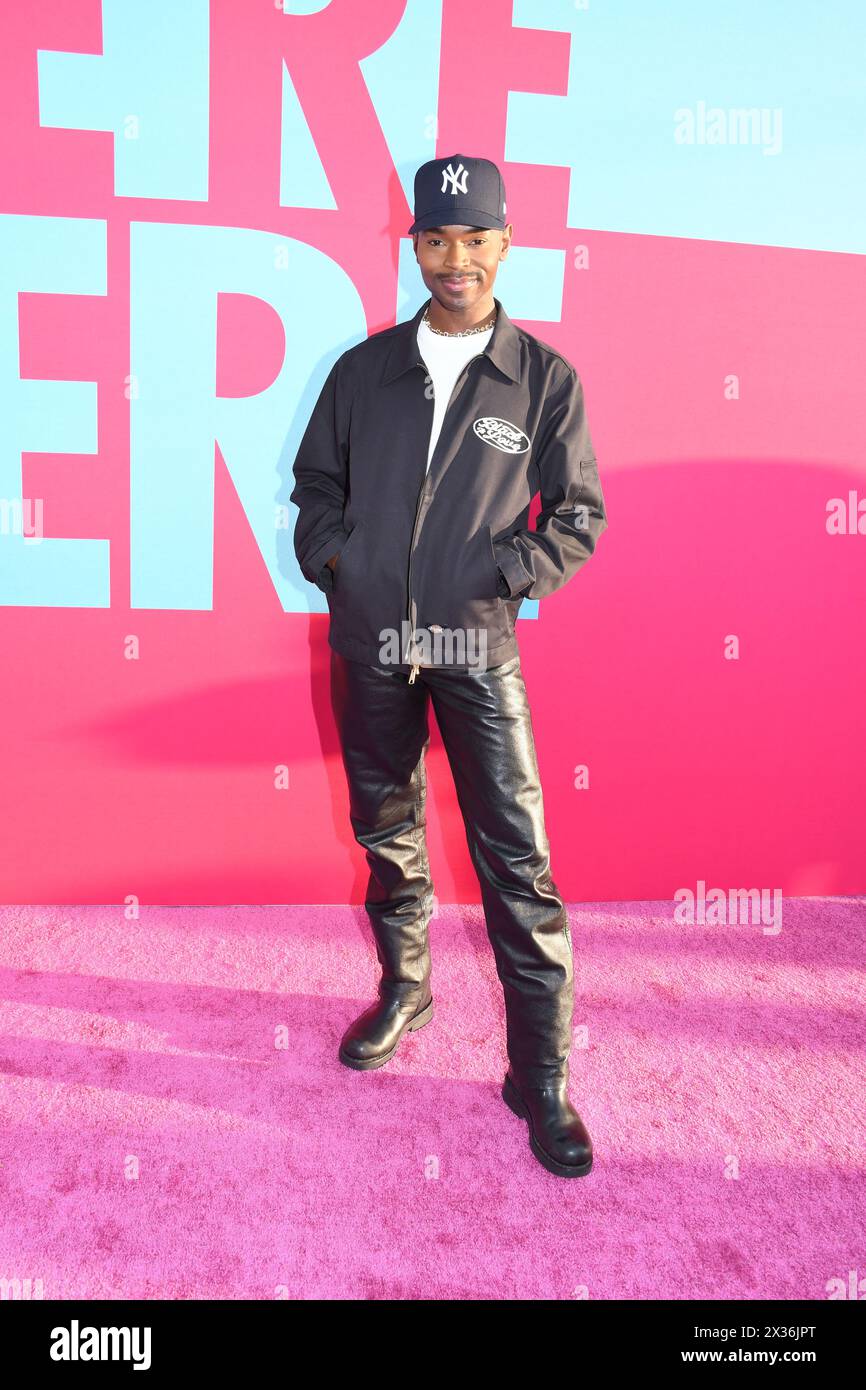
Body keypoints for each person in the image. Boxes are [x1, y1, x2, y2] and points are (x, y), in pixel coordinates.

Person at [291, 153, 608, 1177]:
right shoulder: (361, 371)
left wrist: (503, 574)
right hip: (372, 641)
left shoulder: (542, 378)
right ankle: (405, 987)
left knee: (516, 859)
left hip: (474, 644)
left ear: (504, 245)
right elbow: (314, 486)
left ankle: (540, 1071)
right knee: (384, 827)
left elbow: (580, 514)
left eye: (474, 239)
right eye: (436, 239)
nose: (455, 258)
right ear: (414, 247)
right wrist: (338, 563)